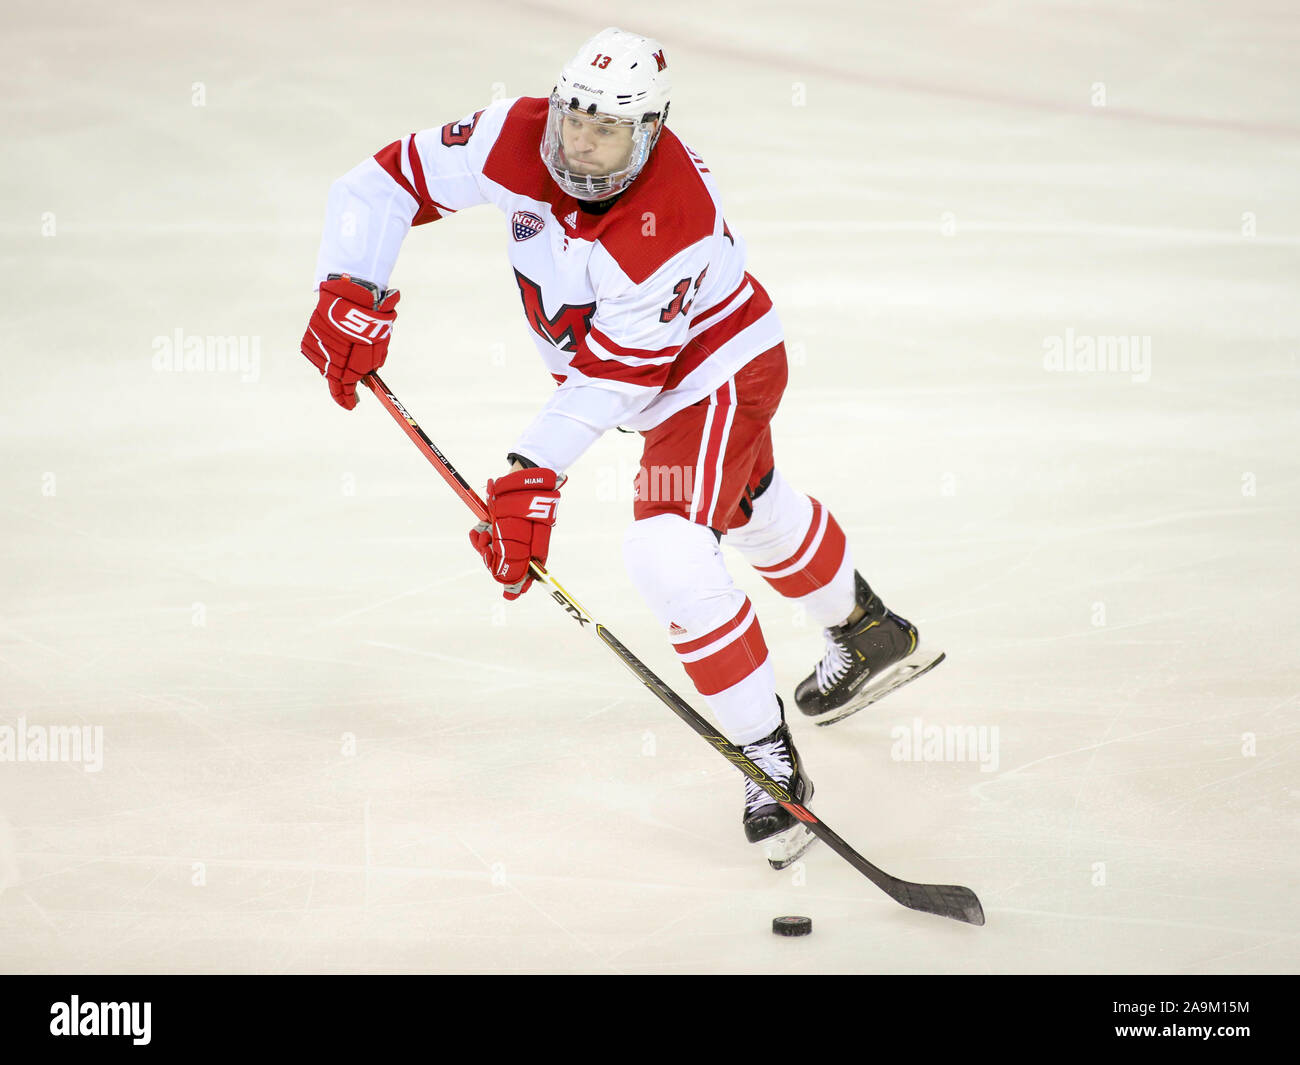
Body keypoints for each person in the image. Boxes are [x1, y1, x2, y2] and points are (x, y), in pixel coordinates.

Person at [301, 27, 941, 868]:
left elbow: (620, 375)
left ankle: (766, 758)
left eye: (606, 130)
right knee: (752, 507)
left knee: (668, 547)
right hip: (660, 382)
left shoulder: (670, 217)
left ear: (649, 132)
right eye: (574, 119)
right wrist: (354, 283)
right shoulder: (516, 134)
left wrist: (532, 473)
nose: (579, 143)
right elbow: (381, 182)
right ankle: (866, 630)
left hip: (711, 378)